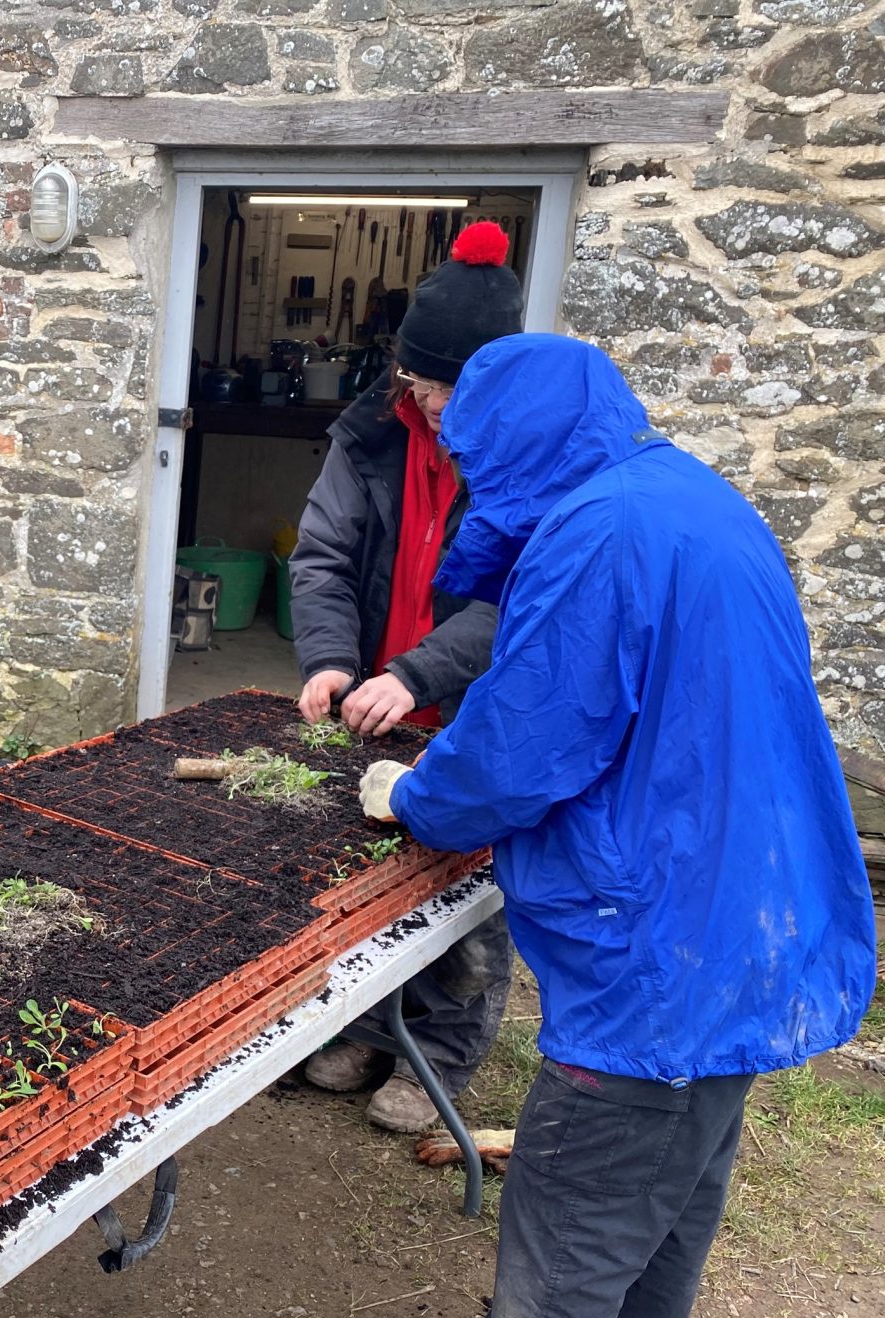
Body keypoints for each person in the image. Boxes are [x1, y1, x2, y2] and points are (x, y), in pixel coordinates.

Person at [360, 334, 875, 1318]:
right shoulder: (690, 495)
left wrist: (410, 796)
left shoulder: (596, 535)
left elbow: (521, 748)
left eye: (466, 448)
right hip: (754, 932)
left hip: (663, 960)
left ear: (505, 445)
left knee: (571, 1249)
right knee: (662, 1228)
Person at [287, 221, 522, 1133]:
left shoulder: (520, 461)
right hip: (382, 696)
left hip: (469, 698)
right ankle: (368, 1028)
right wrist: (332, 659)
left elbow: (517, 606)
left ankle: (443, 1054)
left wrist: (418, 670)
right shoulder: (368, 436)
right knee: (371, 865)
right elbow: (322, 558)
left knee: (466, 889)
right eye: (417, 382)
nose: (426, 402)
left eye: (445, 387)